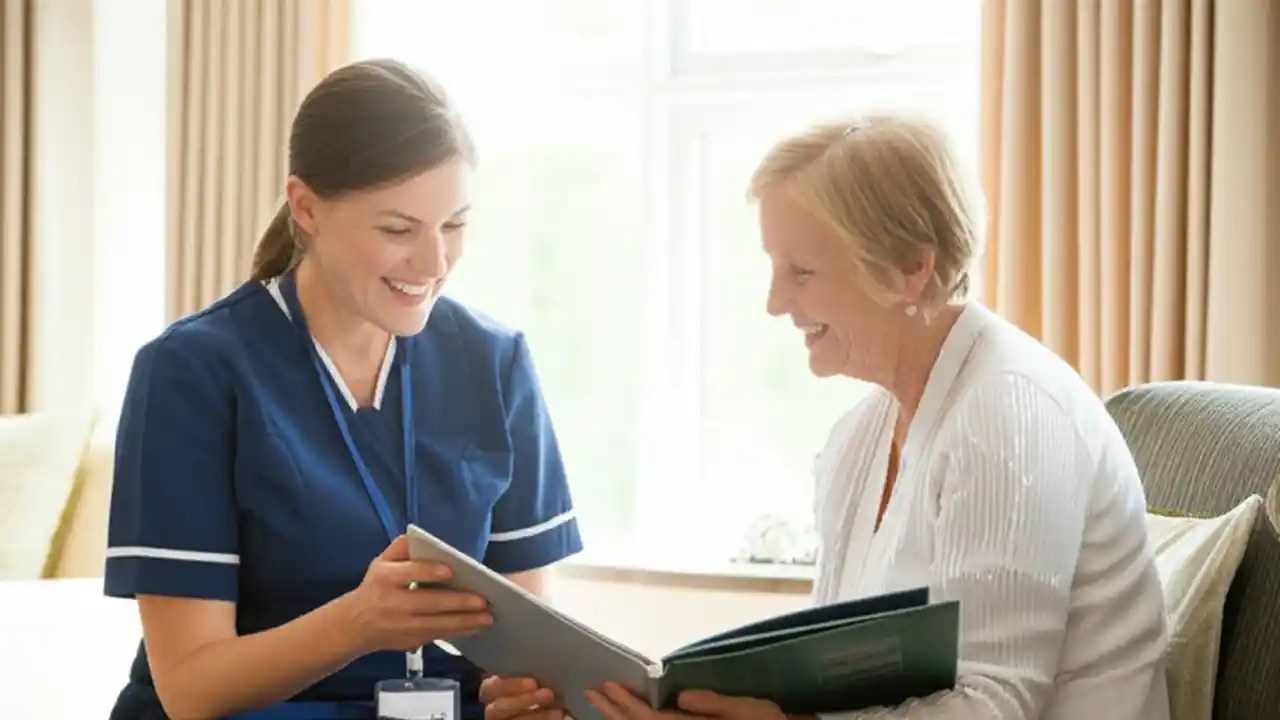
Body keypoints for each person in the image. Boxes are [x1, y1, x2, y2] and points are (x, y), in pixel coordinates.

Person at [481, 115, 1171, 720]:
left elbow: (991, 704)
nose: (776, 303)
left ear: (910, 268)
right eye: (775, 268)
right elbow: (841, 680)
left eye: (803, 272)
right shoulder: (860, 439)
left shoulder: (1010, 417)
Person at [103, 58, 582, 720]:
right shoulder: (192, 371)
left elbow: (528, 644)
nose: (435, 263)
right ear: (307, 208)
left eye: (454, 225)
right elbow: (191, 688)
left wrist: (523, 694)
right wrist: (359, 622)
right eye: (398, 230)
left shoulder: (495, 363)